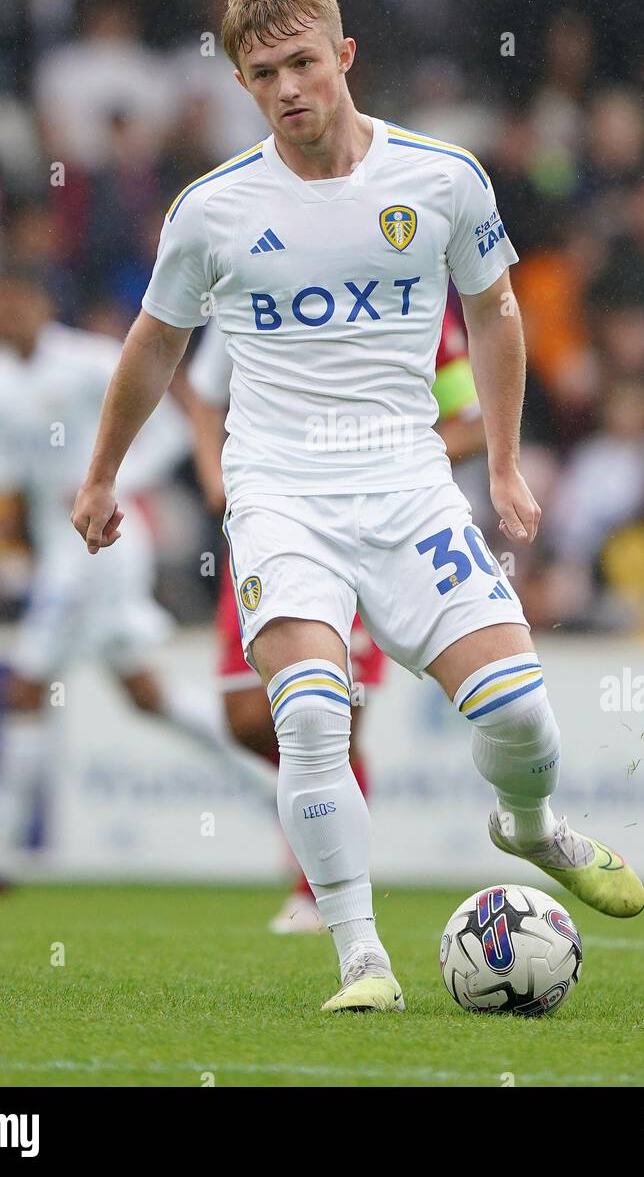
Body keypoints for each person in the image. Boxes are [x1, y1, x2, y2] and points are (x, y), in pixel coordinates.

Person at [72, 0, 644, 1013]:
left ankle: (527, 824)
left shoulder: (440, 178)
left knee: (520, 718)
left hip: (408, 486)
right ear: (244, 85)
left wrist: (505, 462)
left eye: (301, 62)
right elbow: (155, 343)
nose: (287, 86)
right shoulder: (213, 209)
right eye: (262, 73)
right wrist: (102, 472)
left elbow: (498, 313)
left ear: (342, 57)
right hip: (280, 492)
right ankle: (359, 954)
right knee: (309, 715)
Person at [0, 268, 271, 898]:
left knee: (22, 687)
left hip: (102, 547)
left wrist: (116, 485)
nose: (7, 312)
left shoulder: (88, 361)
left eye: (18, 298)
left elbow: (172, 426)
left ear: (41, 300)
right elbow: (0, 473)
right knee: (147, 695)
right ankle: (280, 788)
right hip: (57, 547)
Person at [184, 305, 486, 933]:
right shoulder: (255, 286)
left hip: (367, 536)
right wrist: (216, 477)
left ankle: (319, 892)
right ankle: (324, 811)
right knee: (245, 720)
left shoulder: (415, 306)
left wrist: (390, 456)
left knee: (334, 722)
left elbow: (469, 421)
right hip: (271, 529)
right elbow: (205, 394)